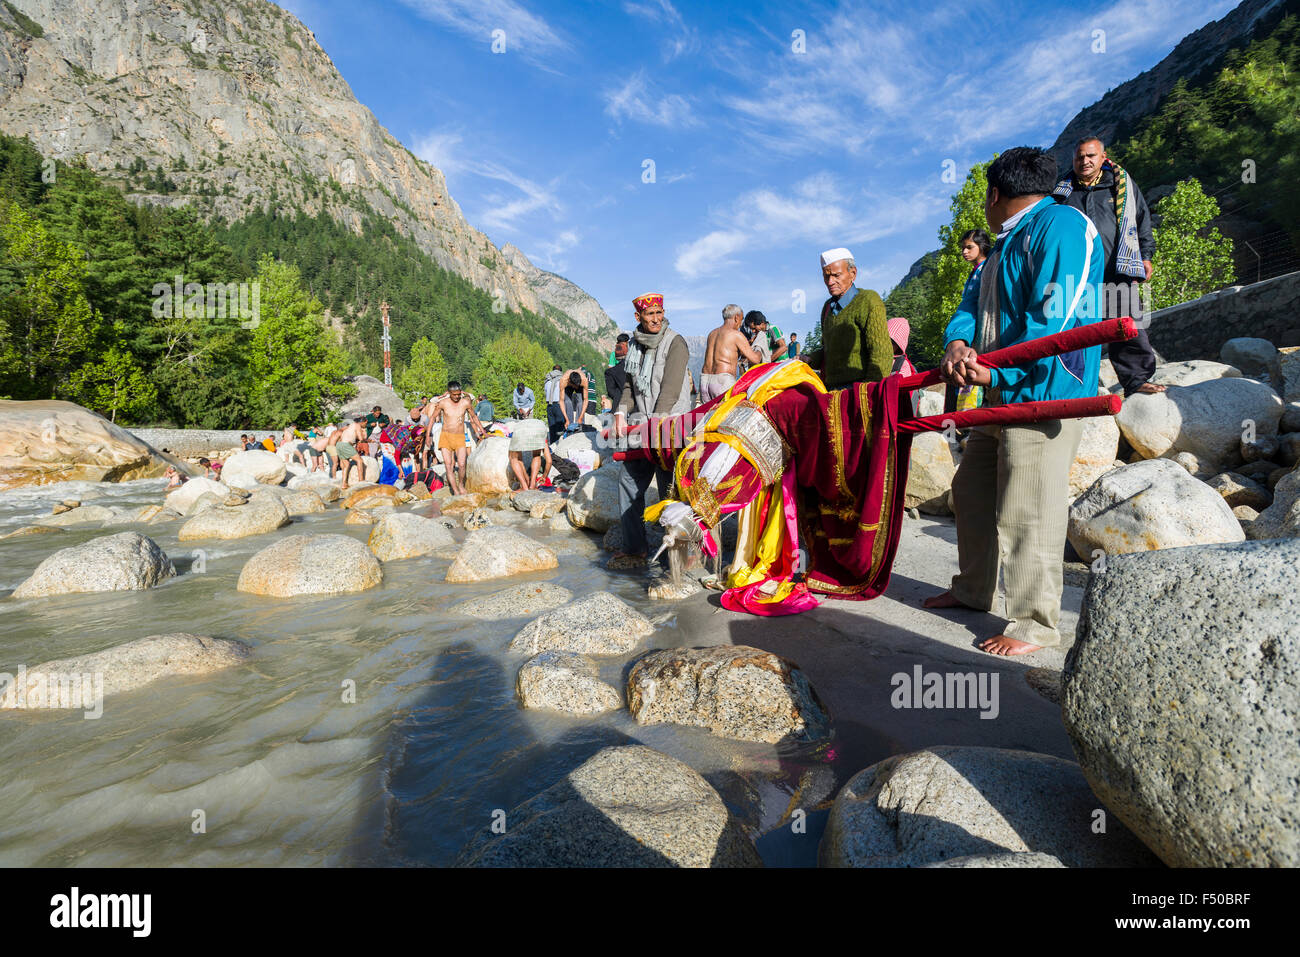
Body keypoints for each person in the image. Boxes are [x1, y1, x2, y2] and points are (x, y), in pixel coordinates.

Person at [924, 146, 1104, 657]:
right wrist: (957, 345)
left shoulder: (1063, 226)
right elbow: (967, 307)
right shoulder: (1001, 245)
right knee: (973, 488)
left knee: (1029, 502)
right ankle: (972, 590)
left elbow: (1059, 313)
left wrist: (1000, 365)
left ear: (995, 193)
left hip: (1048, 391)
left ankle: (1035, 622)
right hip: (999, 390)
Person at [1053, 135, 1163, 396]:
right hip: (1078, 276)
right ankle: (1076, 389)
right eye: (1080, 157)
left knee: (1127, 326)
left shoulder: (1120, 184)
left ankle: (1136, 381)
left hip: (1117, 270)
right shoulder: (1062, 193)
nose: (1085, 161)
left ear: (1103, 157)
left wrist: (1146, 255)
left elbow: (1140, 219)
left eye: (1091, 156)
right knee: (1078, 332)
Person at [611, 292, 692, 567]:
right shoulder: (633, 345)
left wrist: (657, 424)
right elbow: (628, 388)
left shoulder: (675, 343)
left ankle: (679, 554)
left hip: (669, 427)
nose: (656, 318)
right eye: (650, 314)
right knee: (629, 482)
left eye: (659, 312)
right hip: (641, 426)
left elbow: (670, 388)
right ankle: (635, 547)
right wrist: (621, 413)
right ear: (638, 317)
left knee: (669, 489)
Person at [804, 247, 893, 387]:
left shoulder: (868, 300)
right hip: (832, 391)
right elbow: (827, 349)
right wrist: (809, 358)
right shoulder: (827, 308)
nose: (830, 281)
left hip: (858, 388)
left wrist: (867, 394)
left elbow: (881, 353)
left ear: (853, 273)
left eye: (836, 275)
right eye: (826, 276)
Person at [430, 381, 487, 495]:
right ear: (449, 393)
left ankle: (461, 485)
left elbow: (474, 416)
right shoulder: (443, 403)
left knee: (461, 464)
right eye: (454, 394)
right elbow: (432, 418)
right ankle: (455, 490)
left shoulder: (465, 402)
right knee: (448, 464)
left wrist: (483, 432)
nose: (456, 397)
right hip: (446, 436)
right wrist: (428, 435)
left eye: (458, 394)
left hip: (460, 436)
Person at [701, 303, 761, 402]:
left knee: (708, 416)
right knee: (726, 416)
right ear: (736, 318)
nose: (741, 324)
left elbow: (727, 353)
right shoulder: (736, 334)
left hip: (705, 381)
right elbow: (755, 360)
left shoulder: (712, 334)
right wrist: (758, 348)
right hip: (722, 381)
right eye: (741, 320)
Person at [508, 417, 554, 490]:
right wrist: (544, 477)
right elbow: (549, 461)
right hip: (539, 429)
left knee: (513, 458)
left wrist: (525, 477)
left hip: (521, 430)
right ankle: (532, 484)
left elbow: (519, 460)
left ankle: (524, 486)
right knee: (536, 455)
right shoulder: (542, 434)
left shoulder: (521, 427)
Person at [327, 418, 367, 490]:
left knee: (346, 465)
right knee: (359, 461)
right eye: (365, 423)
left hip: (339, 445)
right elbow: (361, 438)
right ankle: (361, 481)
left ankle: (344, 484)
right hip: (345, 445)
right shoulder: (357, 425)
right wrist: (367, 440)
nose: (365, 425)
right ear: (363, 422)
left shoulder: (349, 427)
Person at [605, 335, 629, 412]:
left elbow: (610, 367)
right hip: (626, 374)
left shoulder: (614, 353)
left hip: (616, 378)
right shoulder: (628, 349)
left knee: (617, 396)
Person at [560, 369, 588, 434]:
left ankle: (580, 424)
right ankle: (569, 425)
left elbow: (586, 400)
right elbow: (561, 401)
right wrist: (566, 419)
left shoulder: (584, 380)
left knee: (581, 403)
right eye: (575, 386)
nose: (576, 388)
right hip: (568, 386)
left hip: (579, 384)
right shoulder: (563, 381)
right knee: (567, 402)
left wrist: (581, 417)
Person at [543, 365, 565, 444]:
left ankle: (552, 443)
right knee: (560, 426)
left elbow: (545, 392)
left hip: (549, 405)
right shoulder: (562, 380)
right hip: (559, 405)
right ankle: (559, 444)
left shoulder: (547, 380)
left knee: (552, 427)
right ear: (560, 371)